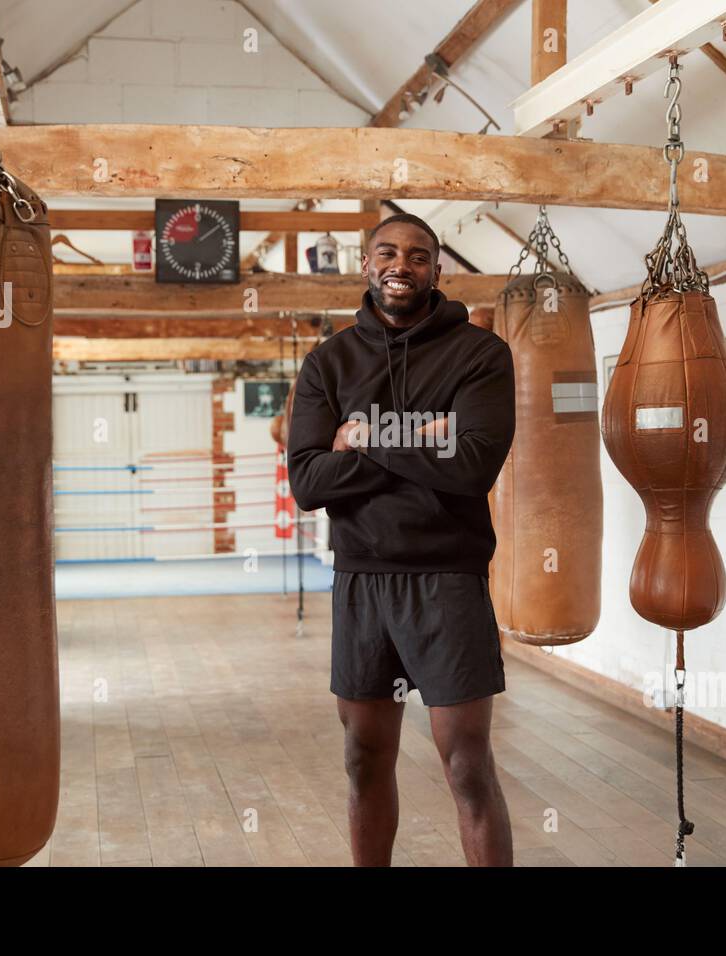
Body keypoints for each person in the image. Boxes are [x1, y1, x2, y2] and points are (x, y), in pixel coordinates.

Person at [287, 213, 516, 866]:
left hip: (449, 578)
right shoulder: (330, 361)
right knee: (363, 758)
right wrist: (424, 436)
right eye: (387, 252)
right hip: (361, 580)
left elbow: (473, 464)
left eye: (419, 255)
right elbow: (307, 480)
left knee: (467, 765)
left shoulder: (479, 354)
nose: (402, 264)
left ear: (437, 270)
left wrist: (363, 436)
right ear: (366, 264)